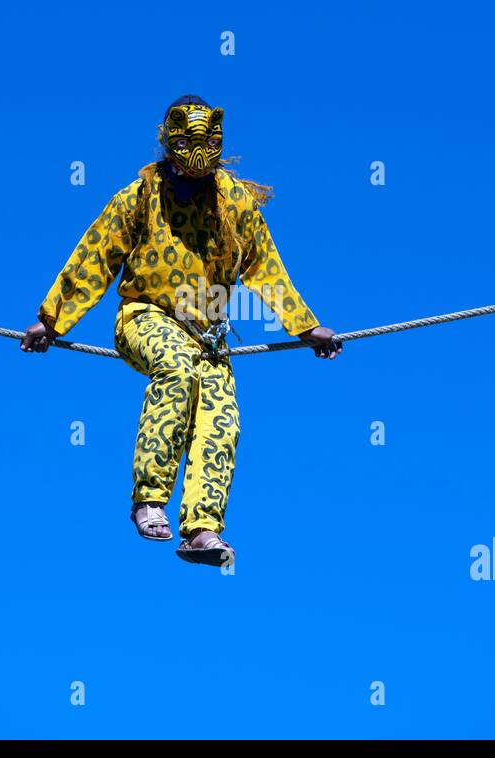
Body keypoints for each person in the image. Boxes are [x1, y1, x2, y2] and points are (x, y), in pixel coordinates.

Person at [22, 96, 339, 566]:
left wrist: (305, 326)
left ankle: (202, 529)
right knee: (176, 367)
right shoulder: (141, 197)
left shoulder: (235, 203)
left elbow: (266, 269)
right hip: (145, 316)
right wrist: (52, 320)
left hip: (208, 335)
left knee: (221, 416)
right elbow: (95, 257)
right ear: (169, 145)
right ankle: (148, 497)